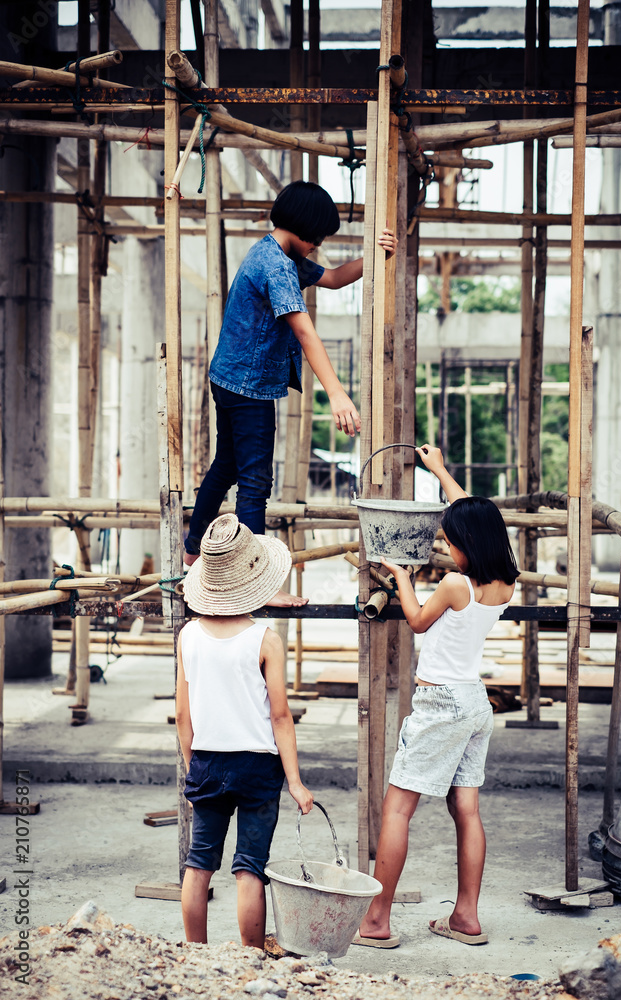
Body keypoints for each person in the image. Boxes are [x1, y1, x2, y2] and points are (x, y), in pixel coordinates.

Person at [184, 180, 398, 607]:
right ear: (304, 229)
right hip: (249, 388)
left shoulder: (274, 253)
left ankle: (191, 552)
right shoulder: (277, 267)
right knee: (255, 483)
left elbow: (334, 279)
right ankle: (256, 582)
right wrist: (337, 394)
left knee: (226, 466)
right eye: (317, 237)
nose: (319, 246)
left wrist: (375, 255)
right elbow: (304, 331)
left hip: (228, 379)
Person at [353, 445, 518, 950]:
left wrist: (402, 579)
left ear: (467, 544)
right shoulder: (505, 583)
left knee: (397, 810)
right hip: (474, 703)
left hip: (440, 704)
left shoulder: (453, 584)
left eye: (450, 541)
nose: (447, 546)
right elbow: (474, 514)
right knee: (466, 809)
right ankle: (465, 917)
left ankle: (376, 921)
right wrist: (441, 471)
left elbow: (419, 620)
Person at [176, 513, 314, 947]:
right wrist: (295, 781)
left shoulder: (188, 636)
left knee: (199, 863)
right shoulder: (265, 639)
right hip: (258, 767)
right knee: (249, 868)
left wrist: (194, 766)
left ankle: (194, 955)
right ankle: (250, 957)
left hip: (207, 761)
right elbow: (280, 716)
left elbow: (183, 716)